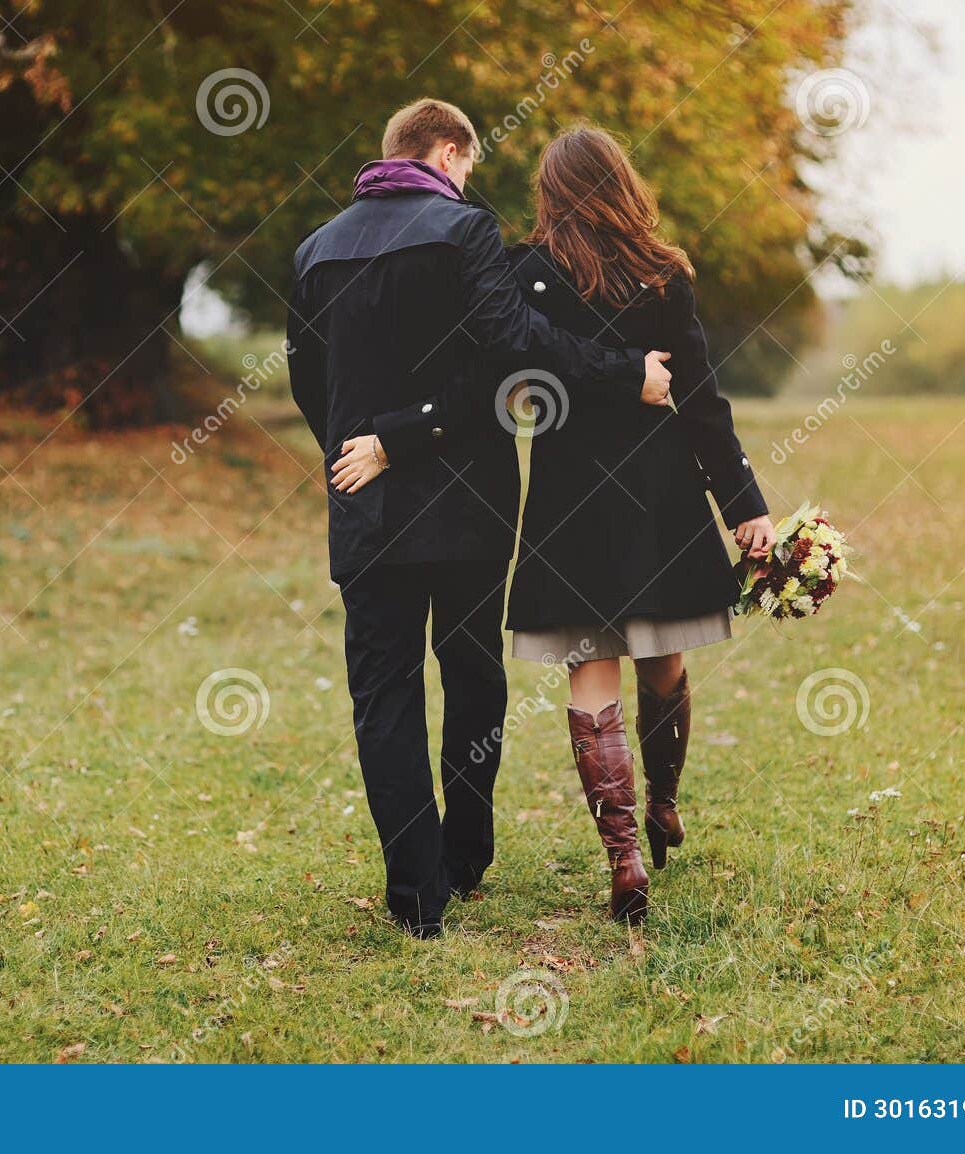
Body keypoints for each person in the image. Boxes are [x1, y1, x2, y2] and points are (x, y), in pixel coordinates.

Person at [287, 99, 674, 938]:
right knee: (471, 678)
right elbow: (513, 347)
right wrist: (621, 371)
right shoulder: (464, 233)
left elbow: (308, 387)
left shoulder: (314, 251)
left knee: (382, 696)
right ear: (450, 151)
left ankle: (414, 897)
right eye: (466, 164)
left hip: (365, 510)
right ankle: (465, 860)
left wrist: (364, 450)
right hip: (466, 503)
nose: (466, 180)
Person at [504, 125, 776, 921]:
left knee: (592, 678)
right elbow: (702, 400)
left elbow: (522, 377)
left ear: (551, 195)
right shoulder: (664, 276)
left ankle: (624, 861)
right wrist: (743, 505)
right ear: (622, 183)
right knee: (662, 667)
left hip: (570, 501)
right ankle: (661, 803)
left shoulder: (525, 275)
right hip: (659, 499)